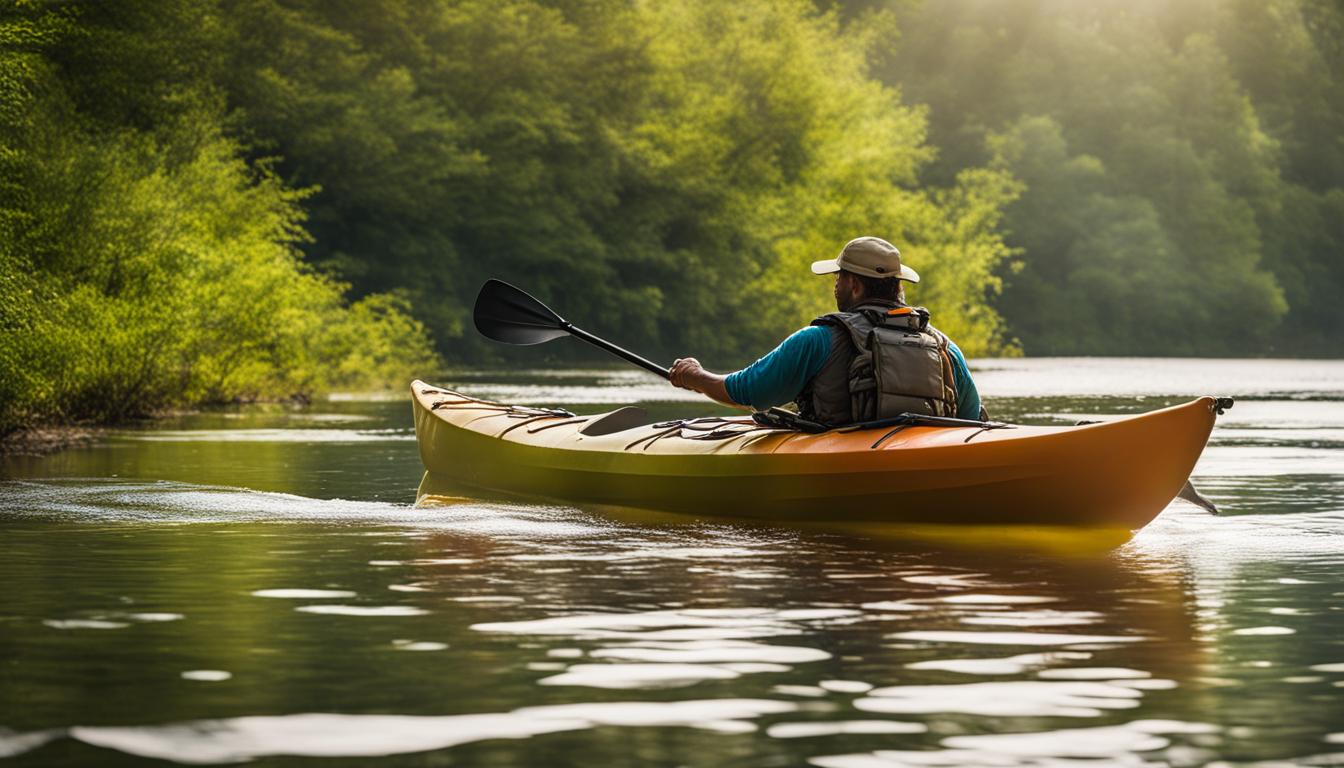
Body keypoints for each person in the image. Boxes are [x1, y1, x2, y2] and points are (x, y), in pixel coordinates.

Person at [668, 236, 982, 426]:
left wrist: (695, 376)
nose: (835, 285)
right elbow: (970, 416)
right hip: (928, 454)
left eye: (839, 277)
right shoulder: (943, 346)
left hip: (844, 457)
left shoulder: (817, 340)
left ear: (855, 285)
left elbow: (746, 391)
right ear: (897, 286)